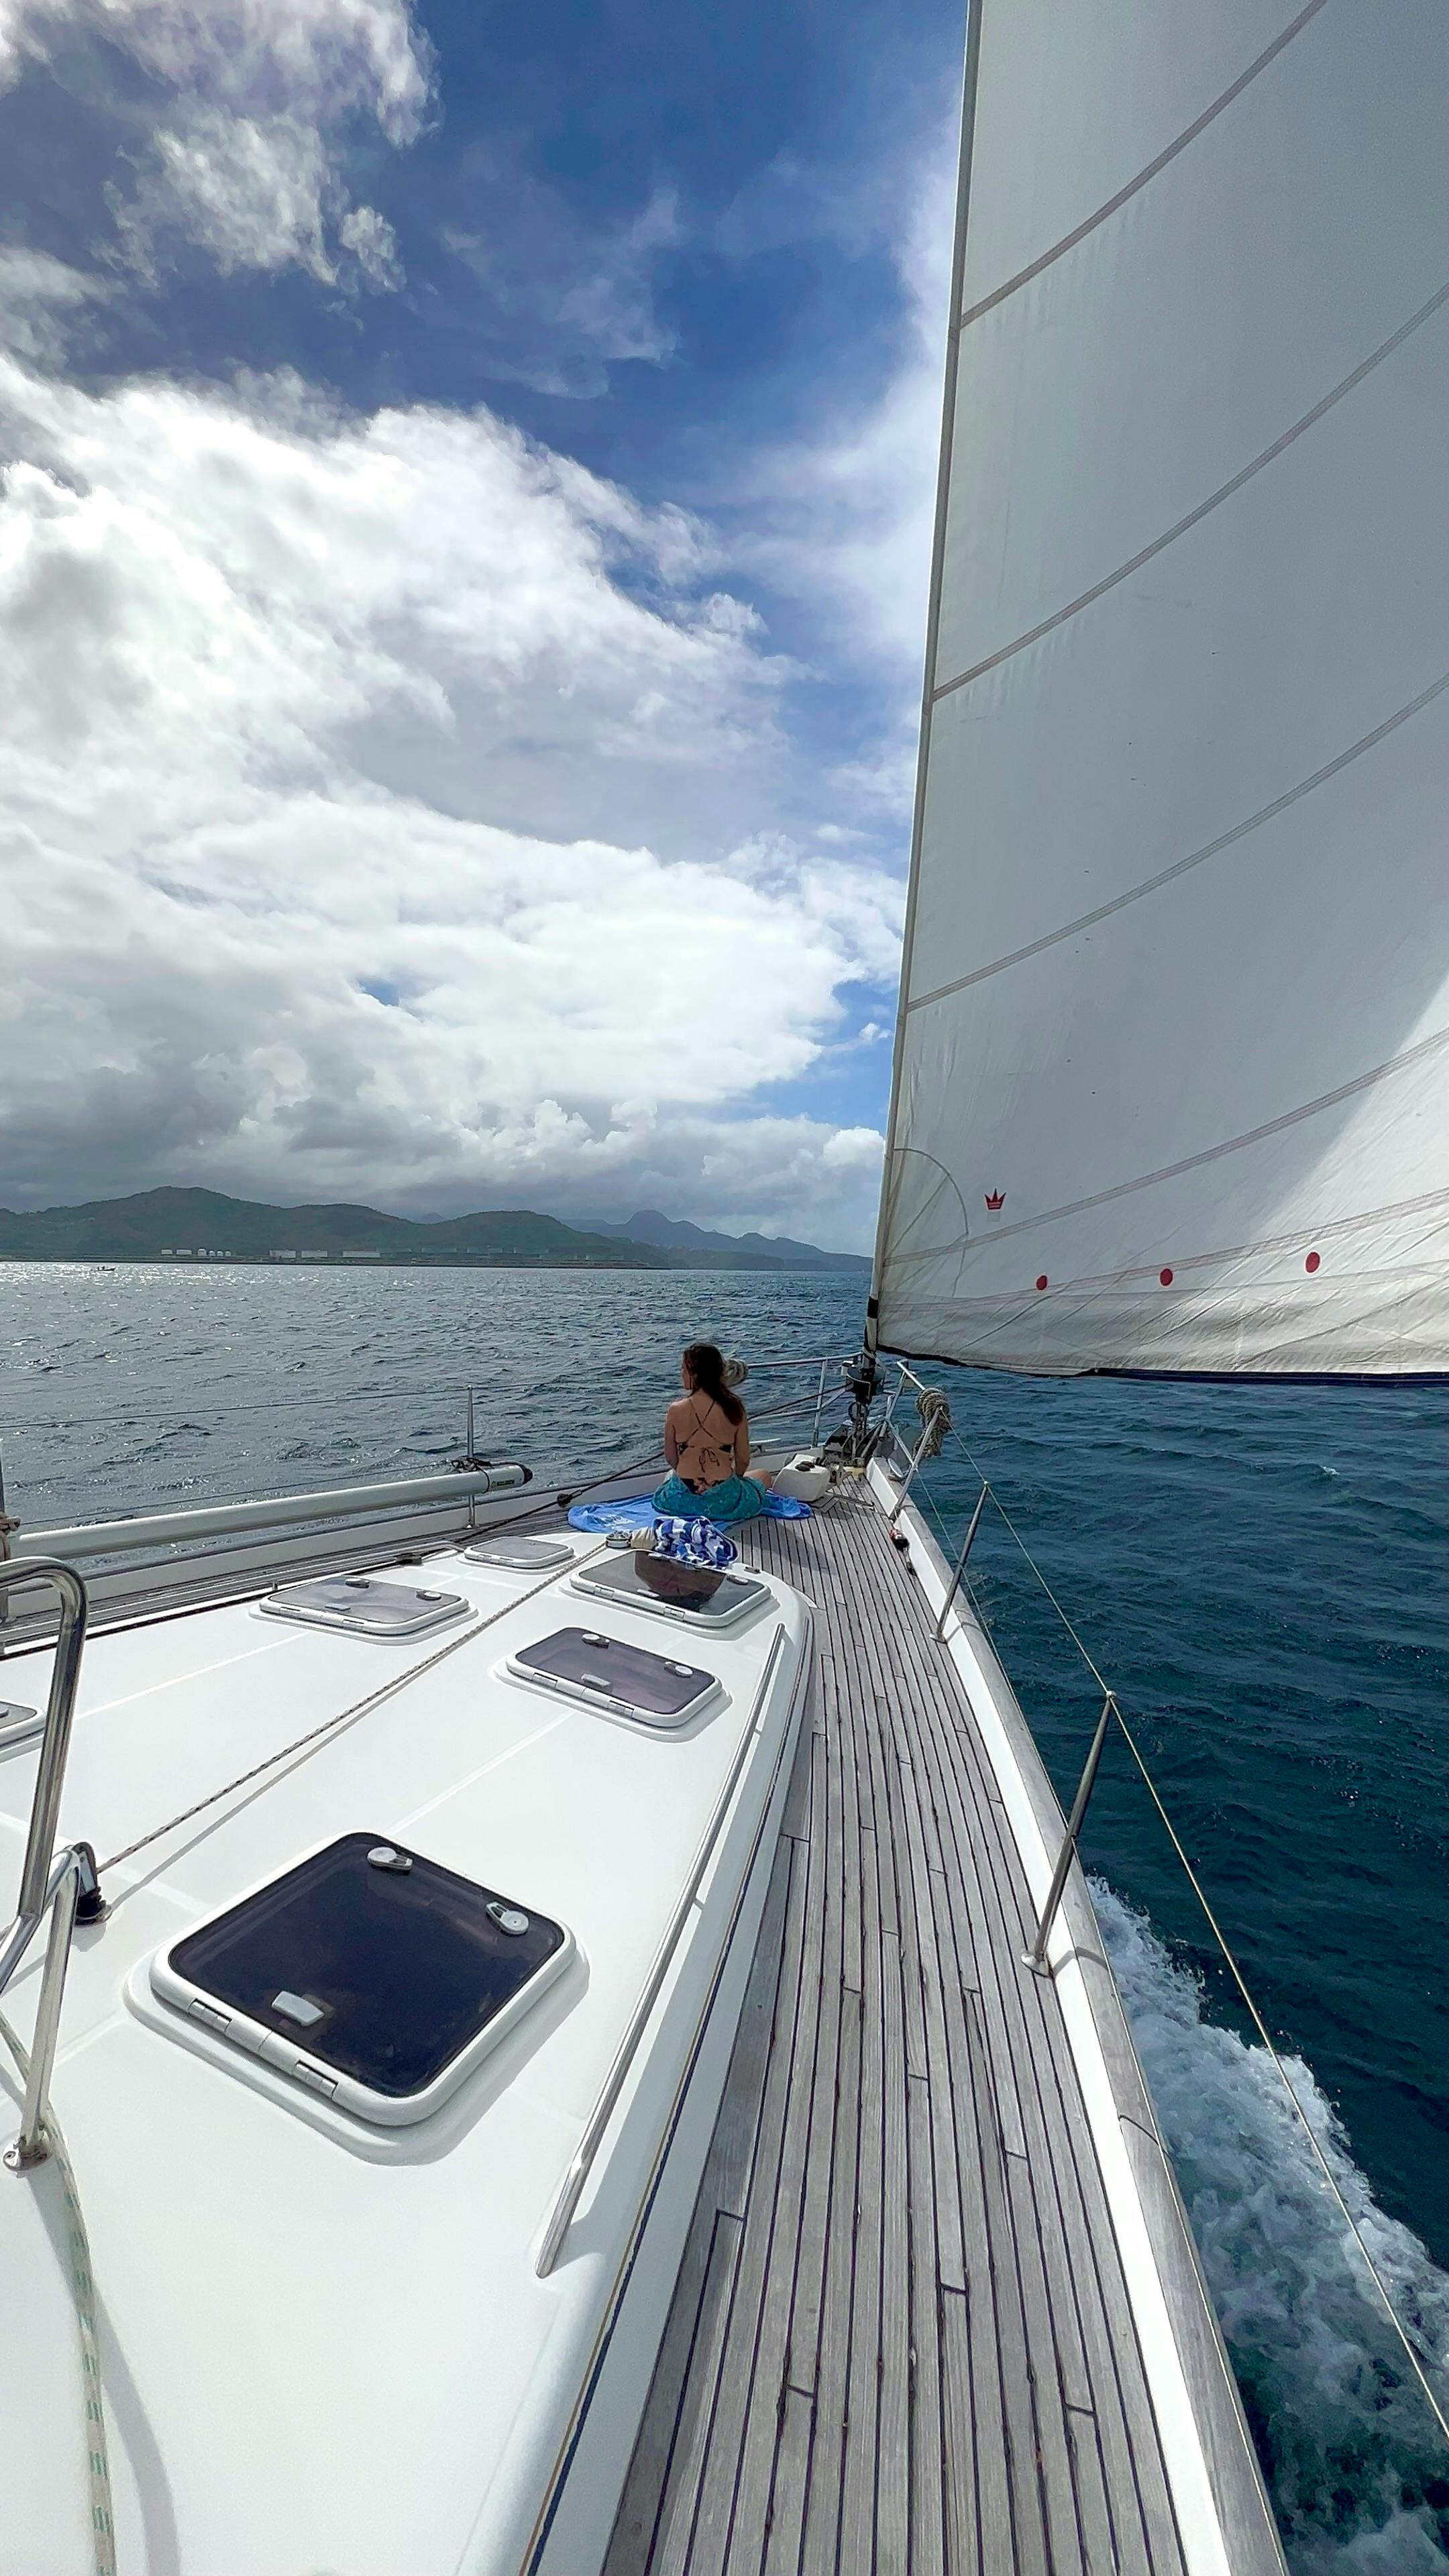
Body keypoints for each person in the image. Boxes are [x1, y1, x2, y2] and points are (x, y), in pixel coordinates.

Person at [652, 1342, 771, 1525]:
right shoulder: (734, 1408)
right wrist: (736, 1481)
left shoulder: (676, 1410)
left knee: (670, 1477)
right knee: (764, 1475)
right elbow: (743, 1459)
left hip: (681, 1500)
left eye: (684, 1369)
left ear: (696, 1374)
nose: (681, 1373)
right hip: (724, 1501)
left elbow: (671, 1457)